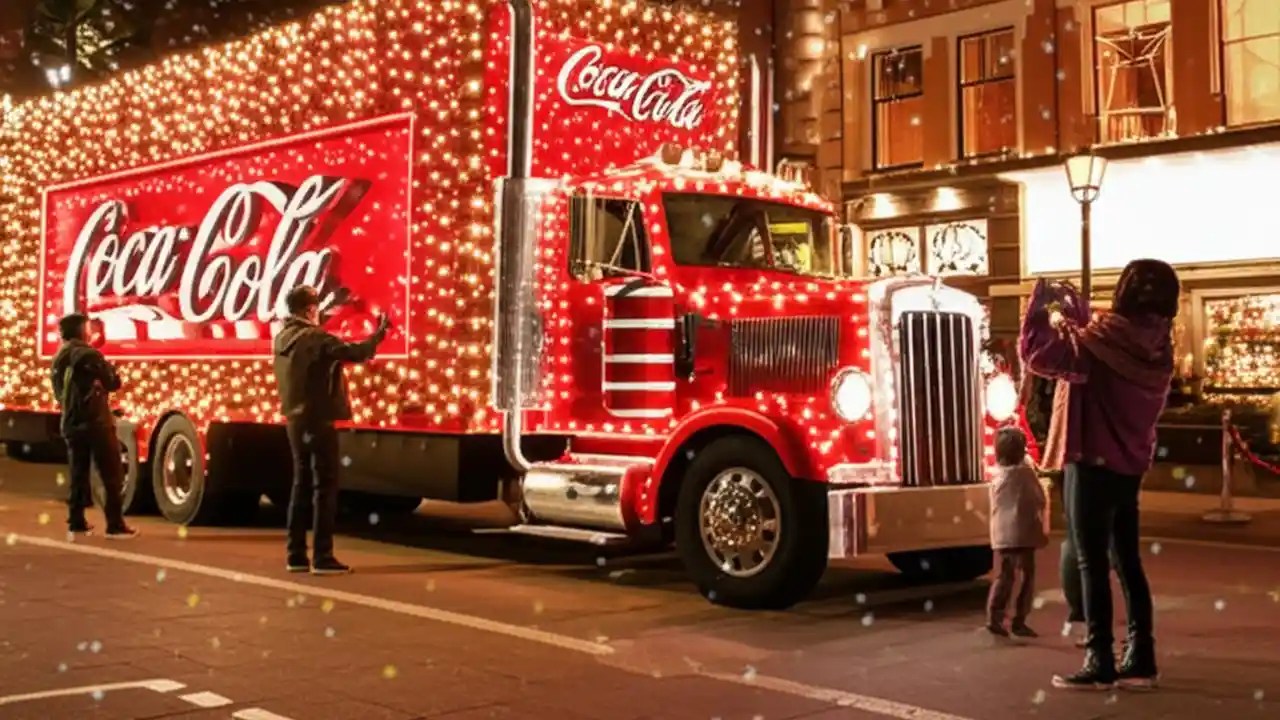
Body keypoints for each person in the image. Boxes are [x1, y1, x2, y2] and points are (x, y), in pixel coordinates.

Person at [1021, 259, 1179, 691]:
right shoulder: (1161, 345)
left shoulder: (1099, 343)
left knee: (1092, 562)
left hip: (1090, 459)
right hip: (1129, 466)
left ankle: (1099, 658)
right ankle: (1141, 656)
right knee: (1128, 560)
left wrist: (1040, 305)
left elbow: (1039, 355)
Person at [273, 286, 389, 575]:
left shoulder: (282, 338)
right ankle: (323, 556)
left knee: (300, 486)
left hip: (295, 421)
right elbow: (357, 352)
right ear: (310, 310)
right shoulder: (314, 337)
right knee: (324, 487)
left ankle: (295, 555)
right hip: (318, 420)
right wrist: (380, 333)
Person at [50, 314, 138, 539]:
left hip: (70, 422)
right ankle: (115, 524)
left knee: (78, 473)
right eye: (87, 327)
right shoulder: (87, 354)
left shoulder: (60, 356)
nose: (90, 332)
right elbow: (113, 382)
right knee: (112, 473)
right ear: (80, 330)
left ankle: (76, 520)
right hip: (95, 423)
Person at [986, 426, 1048, 639]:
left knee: (1004, 576)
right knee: (1026, 577)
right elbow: (1039, 499)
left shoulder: (997, 475)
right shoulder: (1025, 474)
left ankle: (994, 616)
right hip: (1023, 533)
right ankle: (1019, 620)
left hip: (1001, 534)